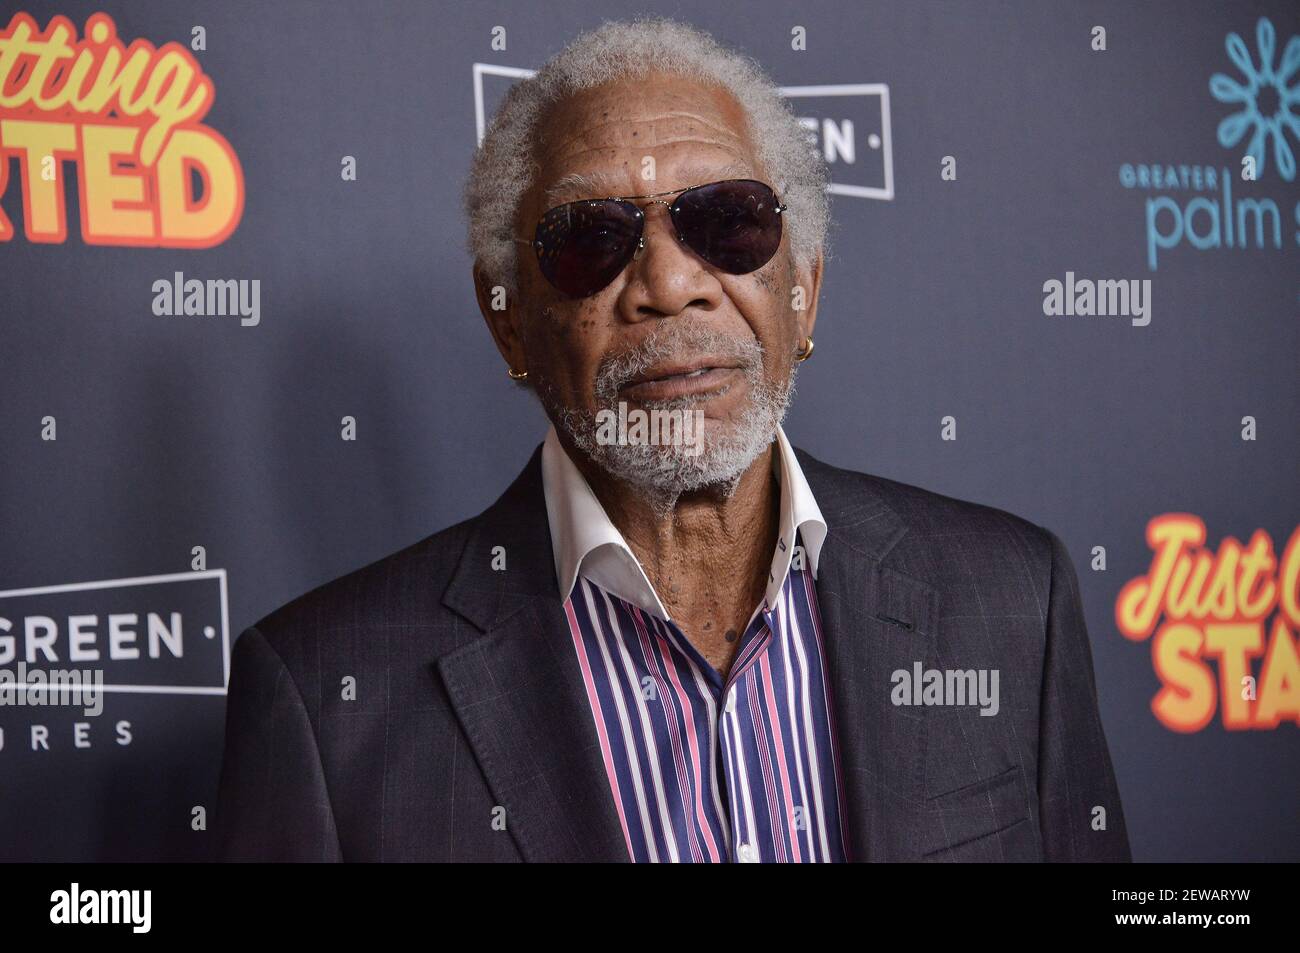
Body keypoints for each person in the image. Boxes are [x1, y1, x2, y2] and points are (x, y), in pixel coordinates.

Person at [216, 17, 1130, 862]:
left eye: (728, 221)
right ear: (508, 325)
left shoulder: (1012, 602)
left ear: (804, 287)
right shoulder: (327, 701)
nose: (669, 282)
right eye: (590, 240)